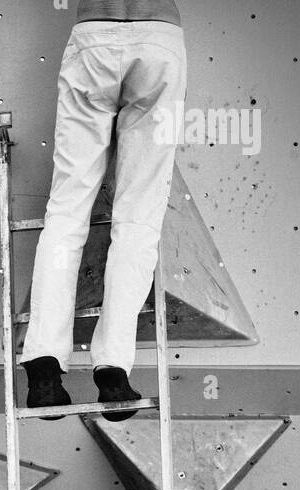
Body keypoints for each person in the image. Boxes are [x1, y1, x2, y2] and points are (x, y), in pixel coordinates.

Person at [20, 0, 187, 420]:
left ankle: (44, 364)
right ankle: (113, 369)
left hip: (94, 34)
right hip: (159, 40)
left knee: (66, 212)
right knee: (138, 220)